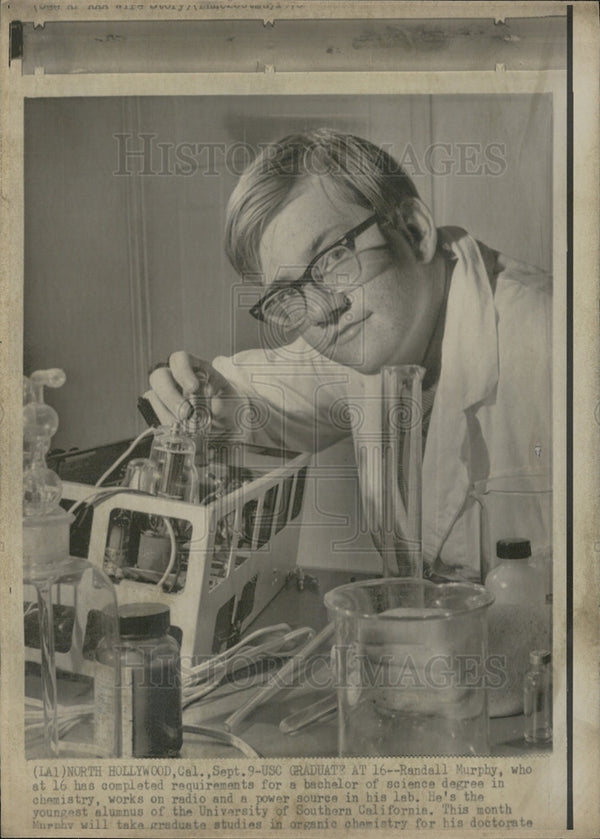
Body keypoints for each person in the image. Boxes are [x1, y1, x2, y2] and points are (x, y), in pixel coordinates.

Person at [146, 128, 552, 575]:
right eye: (289, 294)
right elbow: (244, 395)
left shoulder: (560, 344)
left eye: (334, 258)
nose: (322, 310)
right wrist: (193, 391)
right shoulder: (365, 341)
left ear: (415, 231)